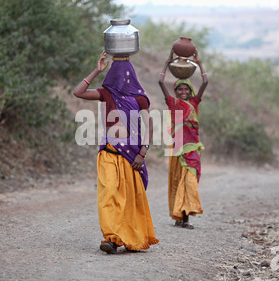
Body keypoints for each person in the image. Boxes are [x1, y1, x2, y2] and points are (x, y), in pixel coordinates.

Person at [73, 51, 159, 253]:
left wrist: (142, 153)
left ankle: (130, 237)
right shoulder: (106, 94)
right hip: (109, 154)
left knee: (129, 198)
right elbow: (78, 92)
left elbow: (149, 126)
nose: (121, 78)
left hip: (132, 156)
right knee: (109, 195)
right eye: (116, 73)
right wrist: (97, 70)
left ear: (131, 75)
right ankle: (111, 239)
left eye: (125, 73)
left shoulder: (140, 99)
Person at [158, 49, 209, 229]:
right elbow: (159, 81)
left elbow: (205, 81)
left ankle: (185, 217)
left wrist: (199, 63)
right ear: (176, 91)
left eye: (186, 88)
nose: (183, 91)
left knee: (189, 182)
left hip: (193, 149)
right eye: (180, 89)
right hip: (177, 149)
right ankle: (180, 217)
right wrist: (168, 62)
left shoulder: (194, 103)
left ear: (191, 90)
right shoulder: (172, 103)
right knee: (178, 182)